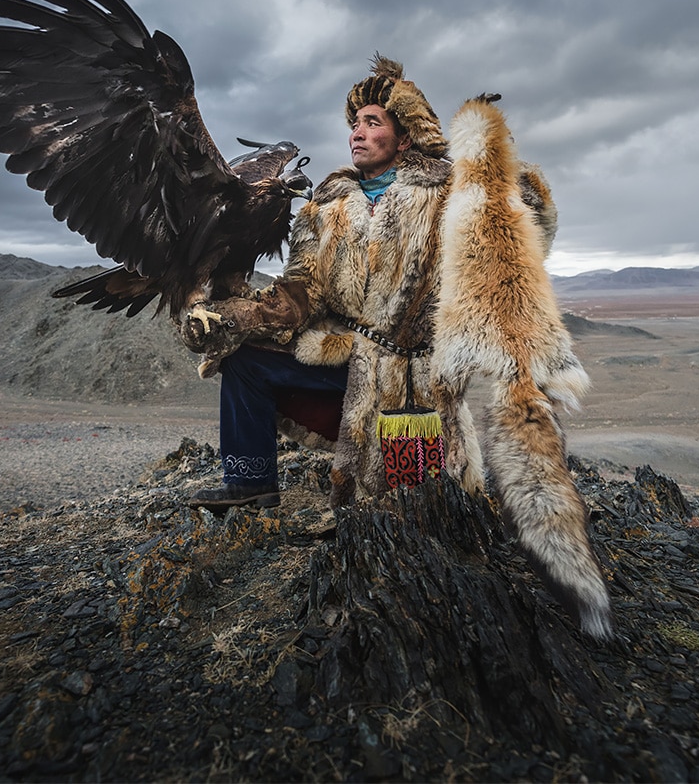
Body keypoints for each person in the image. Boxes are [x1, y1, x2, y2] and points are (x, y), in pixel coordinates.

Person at [180, 54, 558, 511]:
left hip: (412, 377)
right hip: (348, 359)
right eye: (354, 123)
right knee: (243, 361)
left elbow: (523, 221)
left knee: (409, 507)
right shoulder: (326, 208)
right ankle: (250, 483)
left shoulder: (445, 195)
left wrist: (487, 147)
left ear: (404, 139)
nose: (356, 133)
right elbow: (303, 291)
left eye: (372, 122)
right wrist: (233, 319)